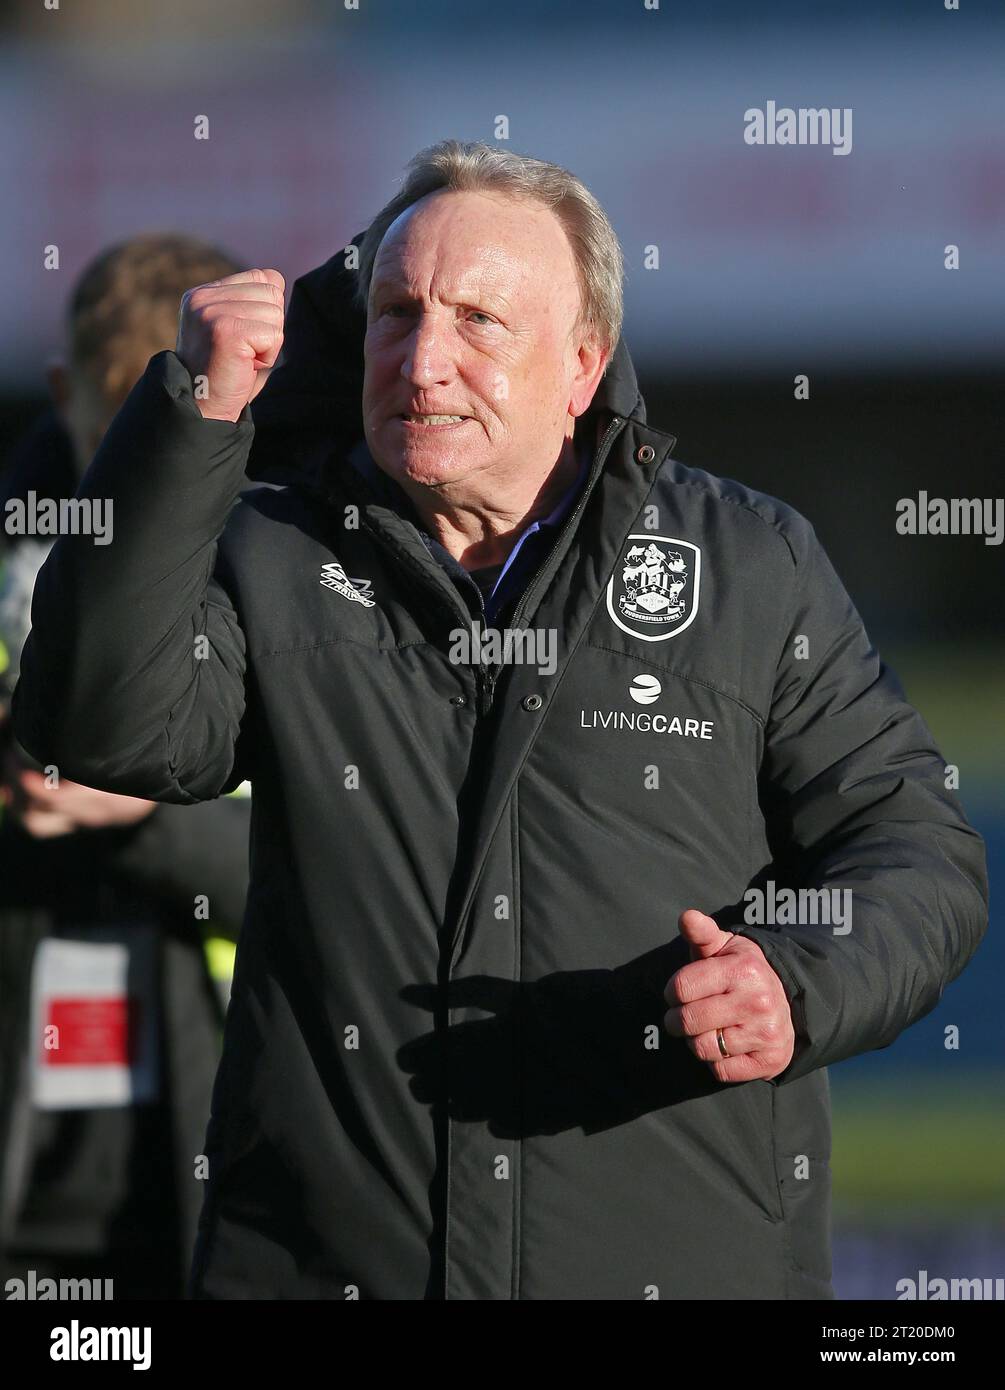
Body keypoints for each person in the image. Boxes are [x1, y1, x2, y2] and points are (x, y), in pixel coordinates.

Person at [11, 141, 988, 1301]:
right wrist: (194, 414)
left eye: (478, 320)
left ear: (583, 364)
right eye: (395, 314)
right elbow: (98, 722)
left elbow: (916, 851)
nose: (424, 361)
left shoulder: (746, 565)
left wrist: (798, 981)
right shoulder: (270, 548)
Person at [0, 234, 252, 1298]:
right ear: (65, 395)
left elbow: (352, 874)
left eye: (167, 444)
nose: (140, 491)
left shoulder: (290, 579)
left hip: (215, 1157)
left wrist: (141, 813)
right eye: (121, 442)